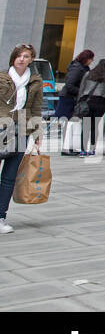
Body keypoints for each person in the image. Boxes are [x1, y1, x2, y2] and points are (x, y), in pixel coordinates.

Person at [0, 44, 46, 235]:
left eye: (26, 56)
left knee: (9, 177)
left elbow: (36, 108)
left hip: (21, 130)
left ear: (31, 59)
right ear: (13, 58)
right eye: (18, 55)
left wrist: (37, 133)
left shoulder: (35, 81)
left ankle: (1, 216)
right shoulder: (2, 77)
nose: (21, 59)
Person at [74, 59, 105, 158]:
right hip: (101, 101)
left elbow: (81, 89)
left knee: (86, 125)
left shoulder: (88, 73)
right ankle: (92, 150)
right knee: (94, 126)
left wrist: (79, 102)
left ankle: (83, 151)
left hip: (87, 101)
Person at [56, 49, 93, 157]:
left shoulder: (83, 68)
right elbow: (70, 85)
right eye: (91, 59)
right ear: (86, 59)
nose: (91, 61)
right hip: (69, 99)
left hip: (73, 99)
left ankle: (70, 147)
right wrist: (81, 93)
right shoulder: (77, 68)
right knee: (68, 123)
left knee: (73, 123)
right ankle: (66, 148)